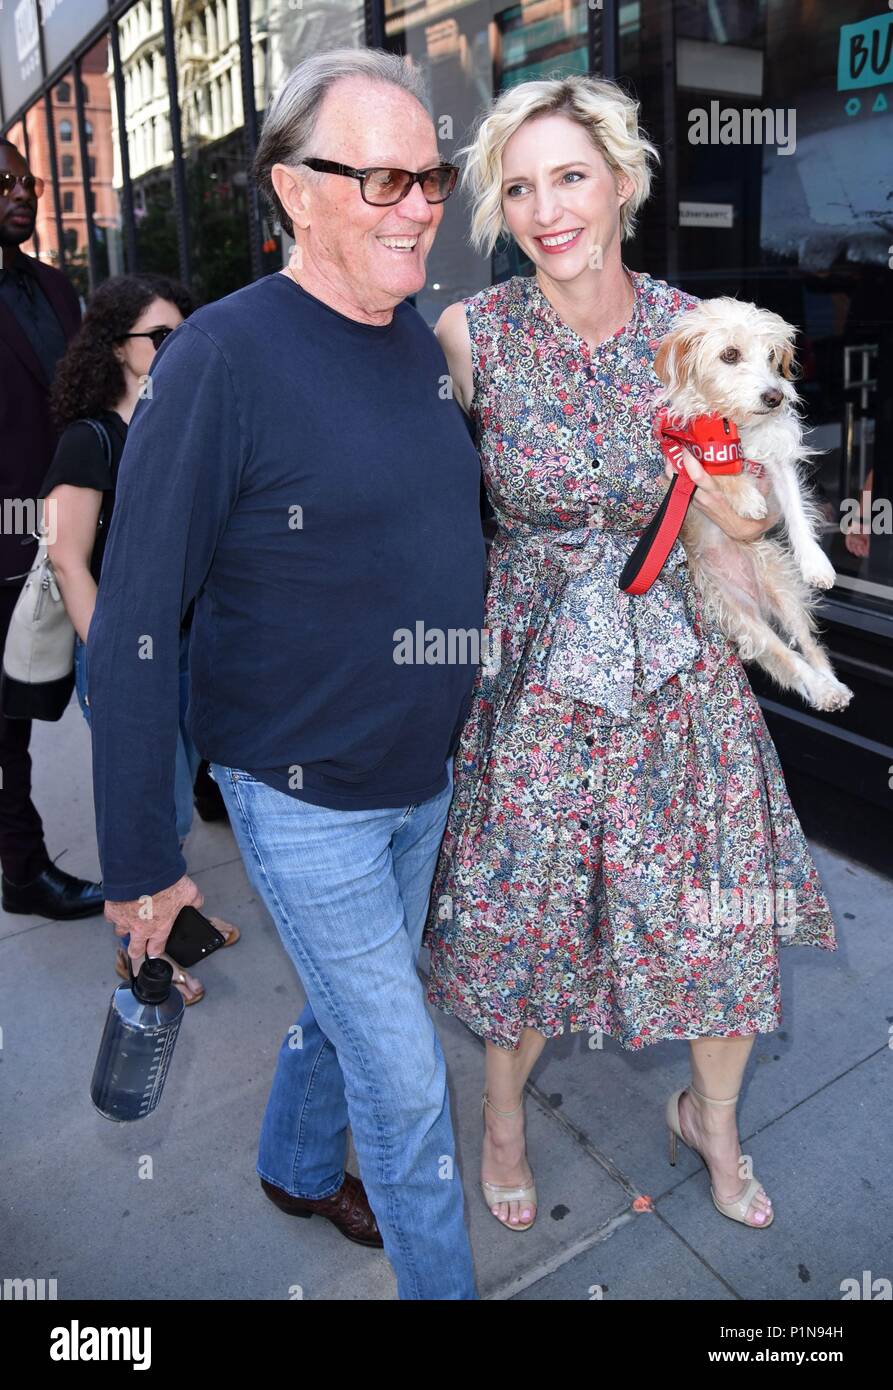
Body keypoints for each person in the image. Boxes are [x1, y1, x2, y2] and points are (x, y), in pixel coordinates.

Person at [86, 50, 485, 1299]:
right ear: (290, 191)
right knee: (407, 1077)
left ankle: (297, 1165)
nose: (419, 202)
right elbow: (136, 618)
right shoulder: (220, 357)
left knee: (346, 1001)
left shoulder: (411, 337)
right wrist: (142, 859)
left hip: (421, 774)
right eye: (379, 177)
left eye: (429, 174)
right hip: (302, 796)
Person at [424, 75, 838, 1234]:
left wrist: (737, 496)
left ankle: (710, 1118)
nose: (545, 209)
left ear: (619, 182)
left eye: (568, 177)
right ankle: (502, 1120)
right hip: (534, 678)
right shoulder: (473, 334)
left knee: (716, 913)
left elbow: (753, 513)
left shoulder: (691, 326)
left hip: (678, 660)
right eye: (518, 188)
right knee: (524, 917)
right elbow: (413, 493)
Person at [40, 273, 239, 1005]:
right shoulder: (91, 439)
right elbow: (66, 558)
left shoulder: (177, 428)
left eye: (184, 334)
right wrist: (121, 666)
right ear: (114, 349)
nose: (174, 347)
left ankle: (175, 922)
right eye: (159, 337)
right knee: (147, 811)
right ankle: (141, 957)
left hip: (187, 651)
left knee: (174, 808)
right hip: (128, 662)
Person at [0, 136, 103, 920]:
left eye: (24, 179)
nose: (19, 192)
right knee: (8, 728)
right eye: (2, 183)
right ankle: (24, 869)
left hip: (72, 532)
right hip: (6, 545)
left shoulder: (56, 286)